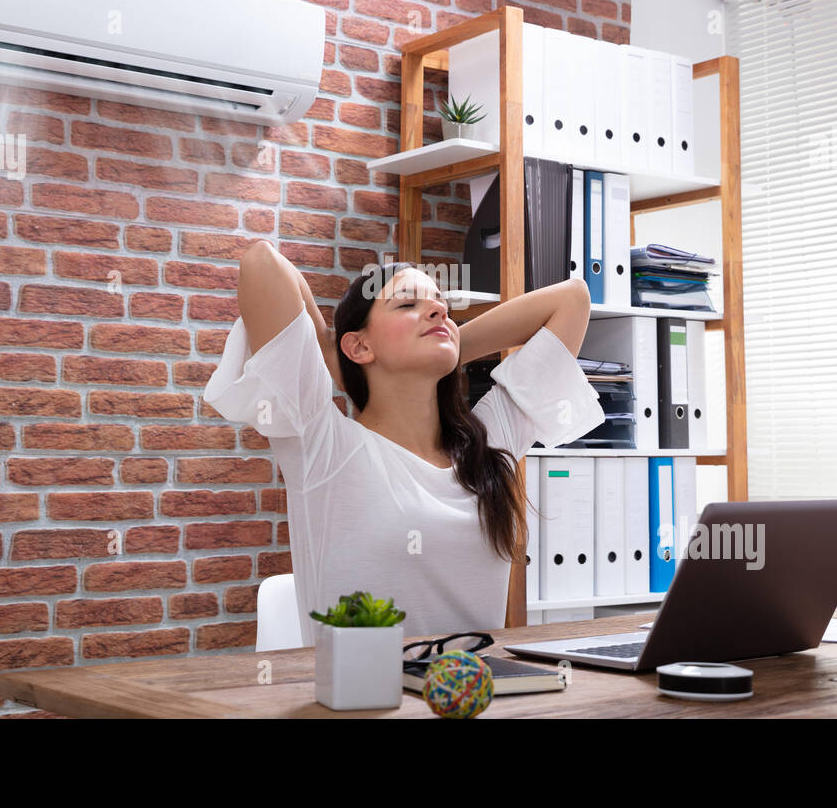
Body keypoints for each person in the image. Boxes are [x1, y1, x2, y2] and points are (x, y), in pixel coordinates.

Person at [203, 239, 605, 647]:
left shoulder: (488, 442)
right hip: (364, 703)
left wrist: (447, 340)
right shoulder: (323, 443)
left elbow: (572, 299)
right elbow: (261, 263)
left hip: (471, 696)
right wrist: (330, 350)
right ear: (358, 346)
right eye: (407, 304)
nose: (439, 310)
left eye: (440, 304)